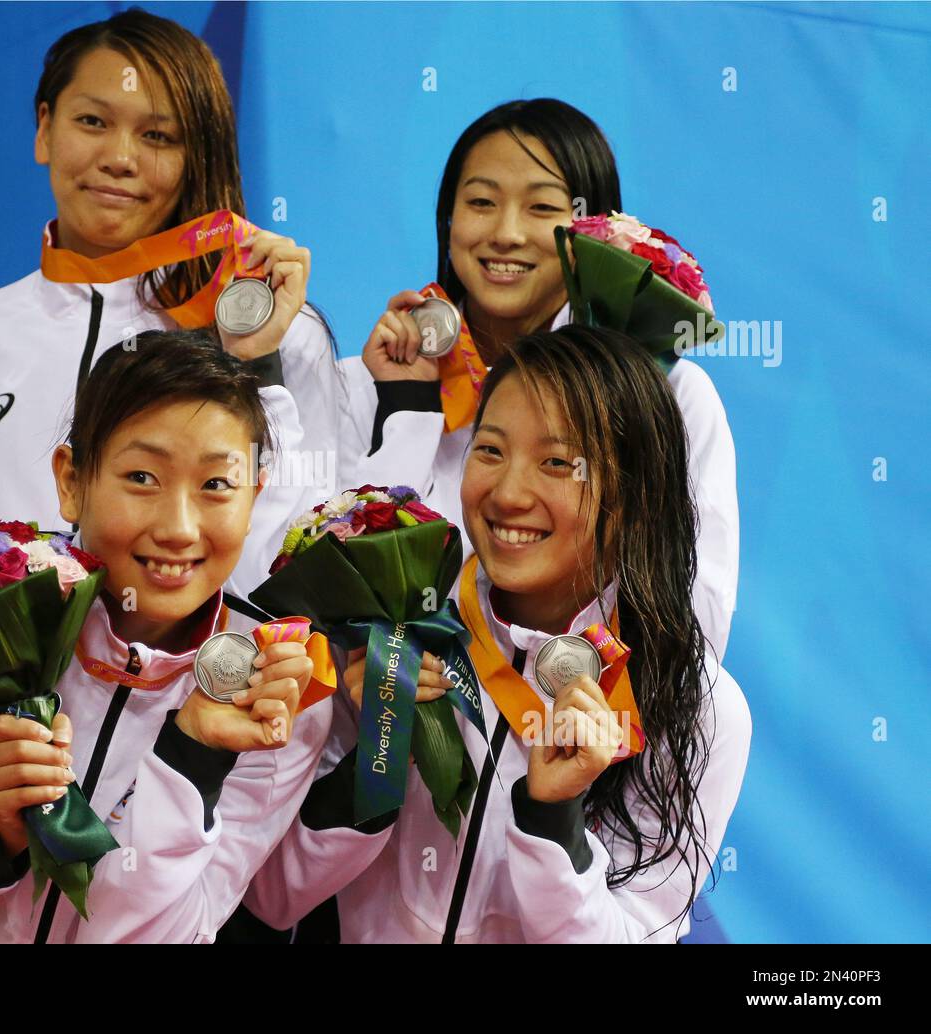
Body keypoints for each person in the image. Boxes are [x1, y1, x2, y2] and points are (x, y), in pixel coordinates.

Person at [0, 331, 331, 943]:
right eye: (142, 477)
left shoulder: (276, 688)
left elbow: (164, 934)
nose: (181, 529)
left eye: (216, 486)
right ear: (72, 480)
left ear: (254, 497)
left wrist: (196, 756)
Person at [0, 9, 340, 629]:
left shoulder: (277, 334)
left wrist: (258, 362)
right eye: (92, 122)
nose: (119, 158)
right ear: (45, 129)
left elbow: (289, 583)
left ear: (196, 155)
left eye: (158, 136)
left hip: (190, 716)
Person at [245, 325, 752, 942]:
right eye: (489, 450)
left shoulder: (694, 703)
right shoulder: (396, 626)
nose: (508, 493)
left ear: (638, 495)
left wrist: (554, 819)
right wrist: (376, 763)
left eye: (558, 463)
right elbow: (273, 898)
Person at [341, 99, 738, 659]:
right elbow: (336, 587)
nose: (505, 234)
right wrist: (404, 405)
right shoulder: (365, 381)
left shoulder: (668, 395)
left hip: (599, 723)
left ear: (593, 233)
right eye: (480, 202)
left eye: (541, 207)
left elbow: (698, 608)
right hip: (407, 716)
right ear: (447, 219)